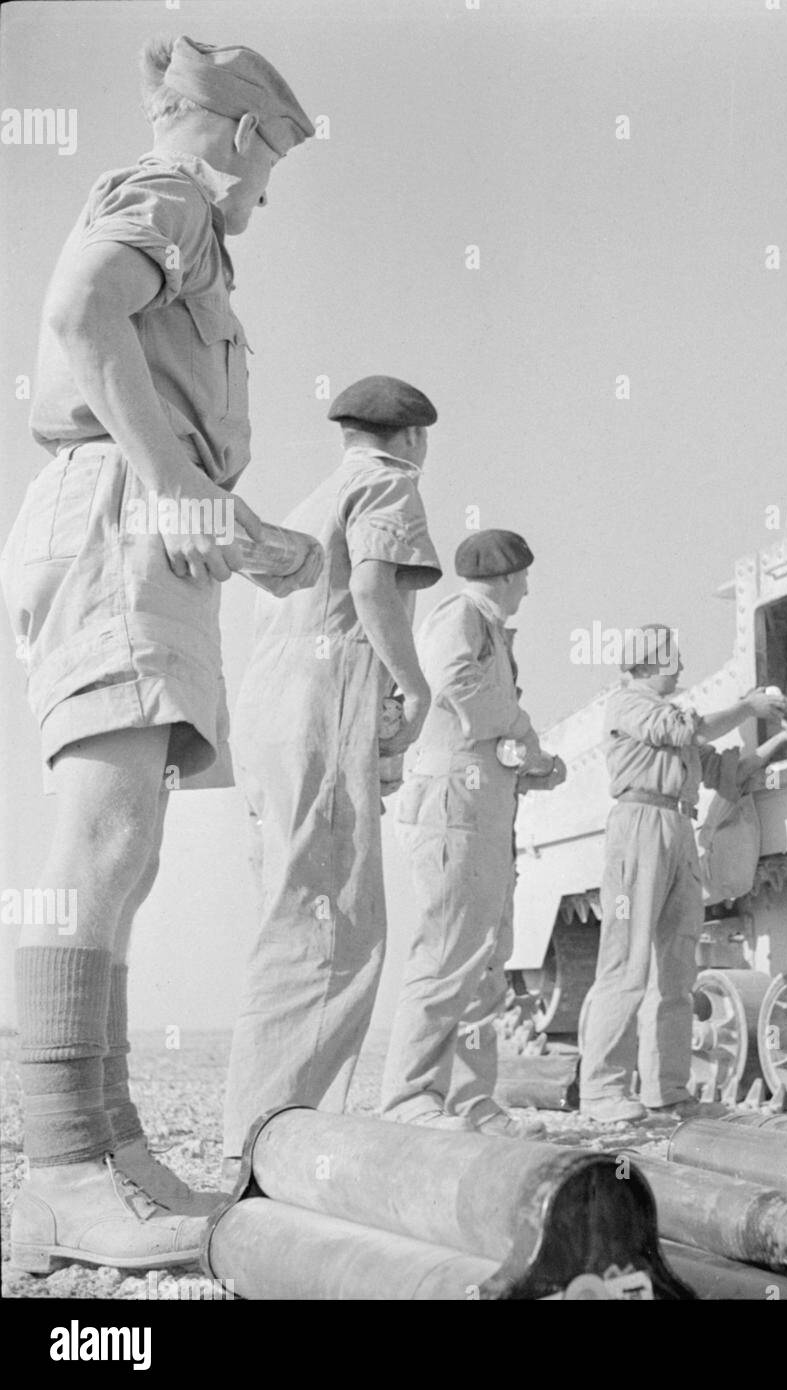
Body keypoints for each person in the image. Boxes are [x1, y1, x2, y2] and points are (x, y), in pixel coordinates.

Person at [1, 36, 317, 1272]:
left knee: (124, 848)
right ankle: (68, 1163)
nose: (262, 200)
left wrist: (246, 530)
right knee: (103, 837)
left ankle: (107, 1147)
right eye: (269, 170)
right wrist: (181, 486)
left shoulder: (189, 220)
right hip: (114, 522)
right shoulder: (176, 191)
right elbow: (85, 314)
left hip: (140, 525)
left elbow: (165, 428)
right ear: (239, 136)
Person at [221, 377, 443, 1167]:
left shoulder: (319, 493)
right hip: (328, 699)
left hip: (269, 710)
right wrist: (415, 687)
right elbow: (373, 585)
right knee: (337, 925)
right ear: (414, 437)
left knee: (292, 917)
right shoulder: (388, 481)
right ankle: (280, 1144)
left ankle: (258, 1133)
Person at [379, 530, 565, 1136]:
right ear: (509, 577)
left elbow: (478, 723)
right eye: (526, 579)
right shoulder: (460, 617)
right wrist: (521, 727)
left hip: (480, 808)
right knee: (446, 954)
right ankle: (409, 1097)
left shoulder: (485, 626)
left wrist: (528, 765)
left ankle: (470, 1099)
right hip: (451, 807)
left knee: (484, 961)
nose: (530, 589)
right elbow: (452, 683)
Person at [577, 628, 787, 1124]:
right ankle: (602, 1090)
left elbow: (726, 775)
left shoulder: (673, 716)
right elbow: (686, 732)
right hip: (640, 826)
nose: (679, 668)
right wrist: (748, 708)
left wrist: (779, 737)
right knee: (626, 965)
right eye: (672, 660)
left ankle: (667, 1089)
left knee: (676, 971)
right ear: (649, 663)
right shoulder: (628, 704)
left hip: (677, 823)